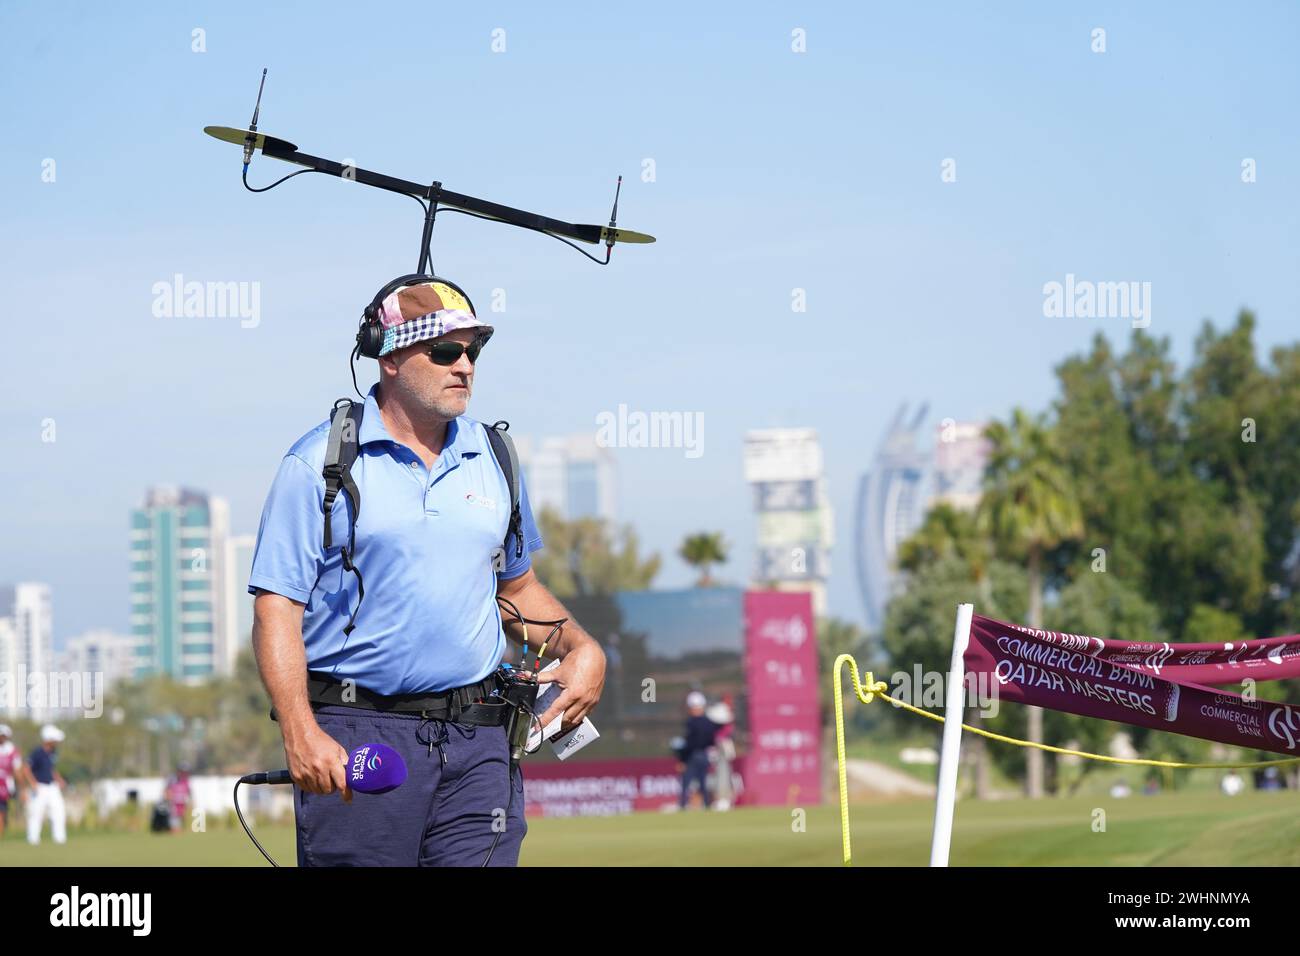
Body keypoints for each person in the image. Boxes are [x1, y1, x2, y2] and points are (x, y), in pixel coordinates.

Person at [249, 275, 606, 866]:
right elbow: (276, 609)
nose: (464, 365)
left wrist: (582, 647)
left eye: (473, 350)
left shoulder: (495, 456)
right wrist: (298, 729)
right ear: (389, 357)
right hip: (360, 738)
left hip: (480, 742)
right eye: (444, 351)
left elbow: (517, 588)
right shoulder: (316, 464)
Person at [22, 725, 66, 845]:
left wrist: (59, 779)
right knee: (36, 813)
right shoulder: (37, 752)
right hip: (40, 787)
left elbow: (51, 769)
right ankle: (33, 839)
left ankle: (59, 838)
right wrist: (33, 783)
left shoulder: (53, 752)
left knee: (59, 812)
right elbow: (26, 768)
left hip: (52, 787)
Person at [677, 691, 720, 810]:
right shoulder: (708, 722)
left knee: (687, 782)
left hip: (692, 755)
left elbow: (689, 743)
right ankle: (706, 805)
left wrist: (682, 759)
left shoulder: (690, 723)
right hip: (704, 755)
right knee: (703, 782)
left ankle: (683, 805)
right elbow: (712, 740)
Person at [0, 725, 22, 838]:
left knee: (2, 810)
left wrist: (22, 787)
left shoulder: (12, 750)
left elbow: (17, 769)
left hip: (4, 786)